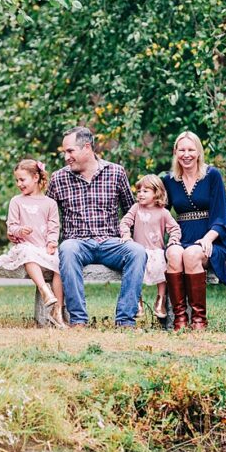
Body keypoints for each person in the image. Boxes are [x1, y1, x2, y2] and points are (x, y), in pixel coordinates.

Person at [46, 127, 148, 328]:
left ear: (86, 148)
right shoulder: (59, 178)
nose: (66, 157)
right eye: (64, 152)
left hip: (111, 242)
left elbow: (132, 211)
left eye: (70, 151)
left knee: (137, 252)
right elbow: (46, 215)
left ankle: (125, 320)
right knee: (66, 249)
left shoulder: (116, 172)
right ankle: (78, 321)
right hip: (77, 243)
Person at [162, 131, 226, 331]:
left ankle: (199, 320)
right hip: (182, 236)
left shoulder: (212, 175)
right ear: (175, 152)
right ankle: (180, 318)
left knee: (192, 254)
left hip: (210, 239)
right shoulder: (169, 180)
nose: (186, 154)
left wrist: (208, 238)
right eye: (181, 150)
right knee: (174, 253)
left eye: (191, 149)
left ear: (199, 152)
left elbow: (221, 216)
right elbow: (161, 214)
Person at [0, 158, 66, 326]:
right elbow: (11, 227)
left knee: (61, 263)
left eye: (22, 179)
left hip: (44, 248)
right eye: (17, 180)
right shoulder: (16, 201)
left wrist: (51, 243)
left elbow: (54, 226)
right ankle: (44, 290)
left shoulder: (50, 203)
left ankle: (58, 310)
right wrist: (20, 230)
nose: (19, 183)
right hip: (26, 248)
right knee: (28, 252)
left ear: (35, 178)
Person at [120, 175, 182, 319]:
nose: (140, 194)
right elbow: (125, 222)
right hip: (139, 251)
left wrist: (173, 240)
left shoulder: (163, 212)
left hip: (156, 251)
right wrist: (126, 235)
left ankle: (160, 299)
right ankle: (137, 300)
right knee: (135, 269)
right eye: (139, 191)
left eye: (145, 191)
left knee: (162, 265)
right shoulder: (136, 208)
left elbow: (175, 229)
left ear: (157, 193)